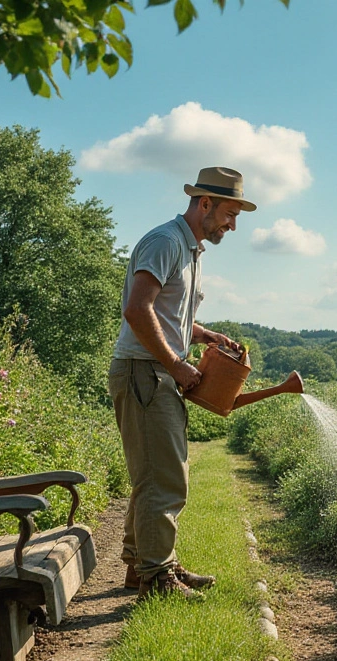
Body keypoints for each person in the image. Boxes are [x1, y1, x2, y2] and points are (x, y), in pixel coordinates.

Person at [110, 167, 254, 600]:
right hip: (145, 371)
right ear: (204, 203)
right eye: (229, 214)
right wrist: (175, 364)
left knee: (153, 473)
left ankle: (146, 566)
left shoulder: (190, 251)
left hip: (153, 370)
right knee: (166, 479)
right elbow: (138, 310)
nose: (232, 225)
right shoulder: (166, 242)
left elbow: (166, 314)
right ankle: (157, 581)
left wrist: (203, 334)